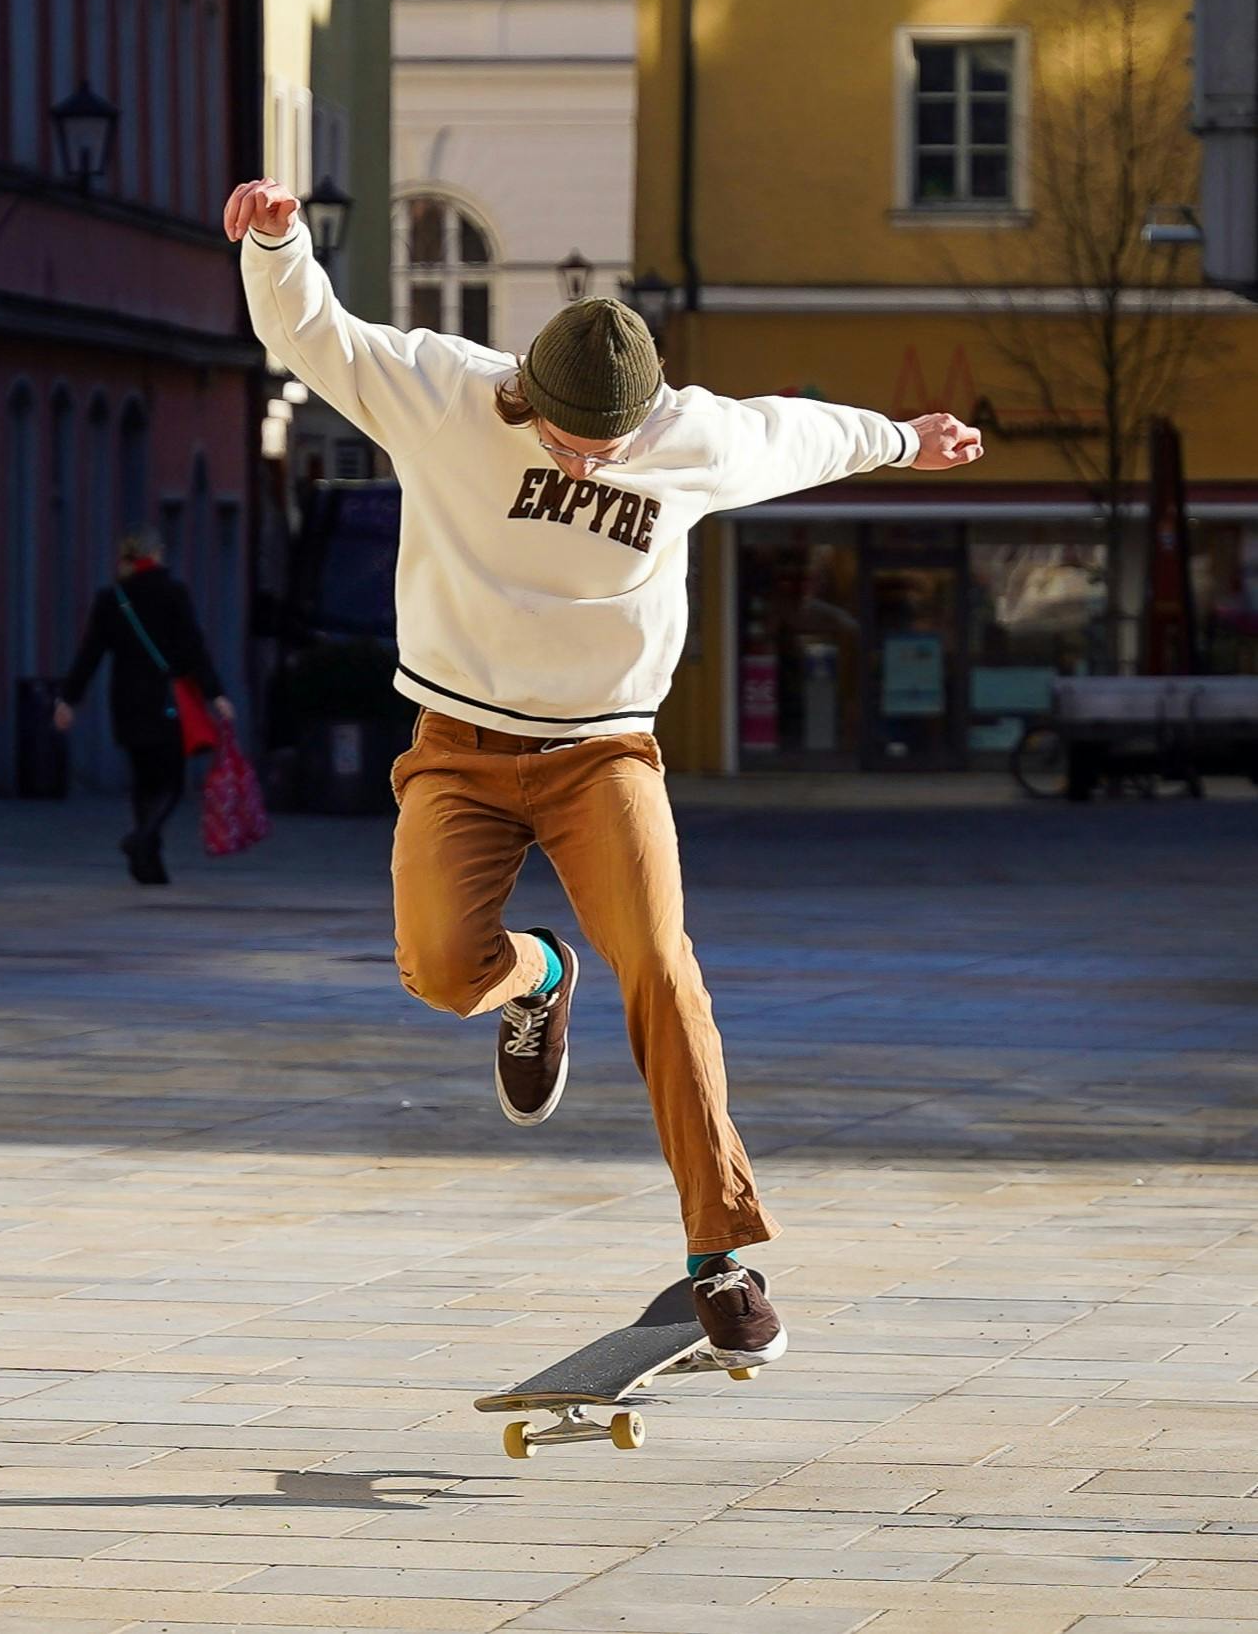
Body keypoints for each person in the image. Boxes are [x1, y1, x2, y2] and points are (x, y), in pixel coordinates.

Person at [224, 176, 983, 1369]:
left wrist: (905, 438)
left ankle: (720, 1255)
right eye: (573, 443)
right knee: (433, 966)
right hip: (460, 751)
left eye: (611, 447)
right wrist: (277, 241)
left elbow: (808, 430)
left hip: (602, 753)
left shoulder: (692, 433)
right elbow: (313, 332)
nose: (591, 463)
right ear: (526, 398)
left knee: (664, 969)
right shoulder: (443, 390)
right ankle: (536, 979)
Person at [54, 531, 234, 886]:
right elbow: (193, 648)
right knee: (172, 782)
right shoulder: (173, 593)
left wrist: (68, 698)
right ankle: (141, 840)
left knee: (143, 781)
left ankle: (148, 864)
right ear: (156, 552)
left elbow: (90, 653)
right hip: (167, 699)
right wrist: (215, 694)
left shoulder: (111, 598)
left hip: (125, 701)